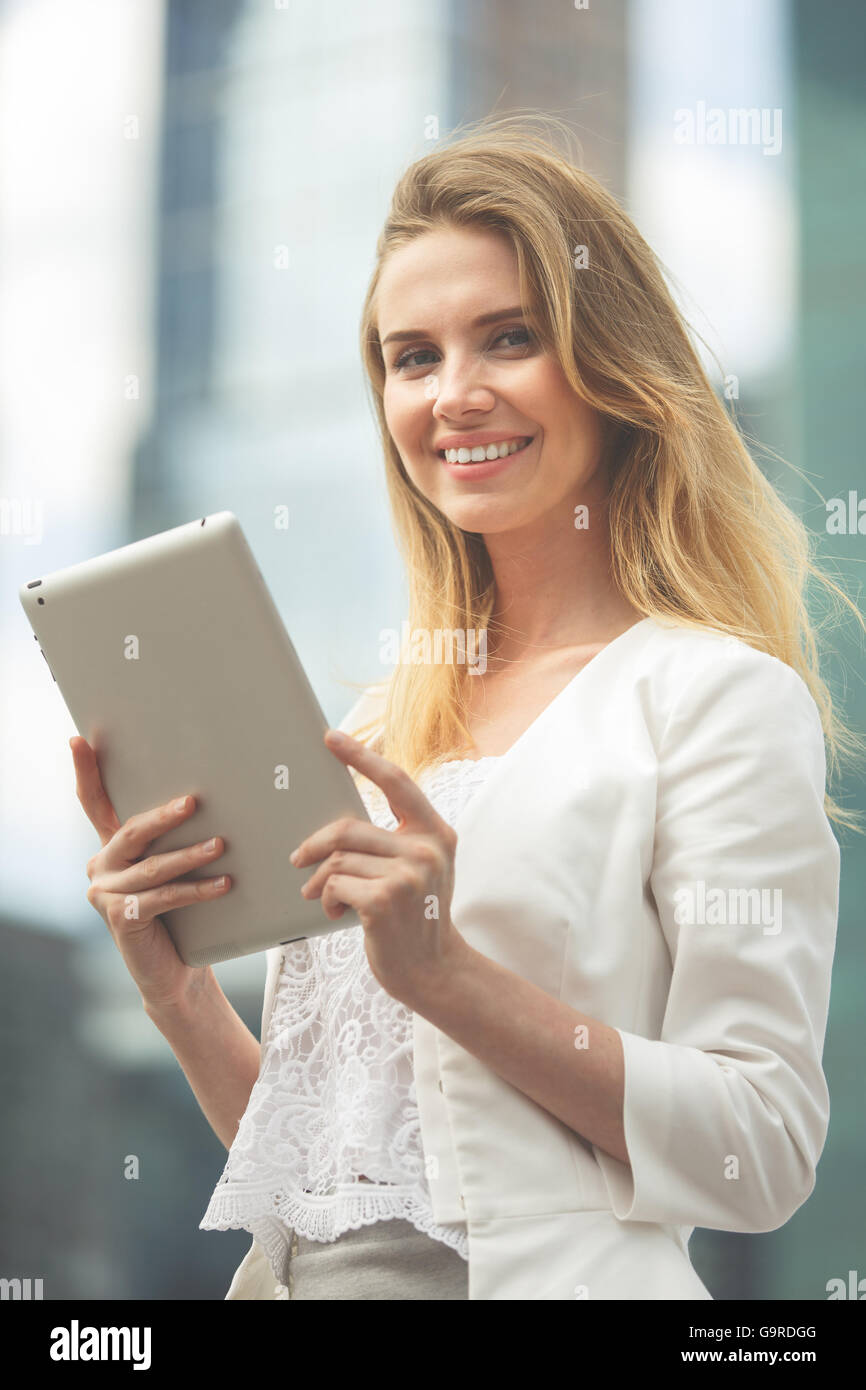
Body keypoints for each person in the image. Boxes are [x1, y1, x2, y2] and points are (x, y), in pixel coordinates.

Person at [73, 115, 861, 1301]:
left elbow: (759, 1147)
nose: (455, 394)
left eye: (507, 338)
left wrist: (446, 973)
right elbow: (328, 1179)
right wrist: (174, 987)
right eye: (413, 356)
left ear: (611, 367)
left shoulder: (713, 699)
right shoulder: (380, 731)